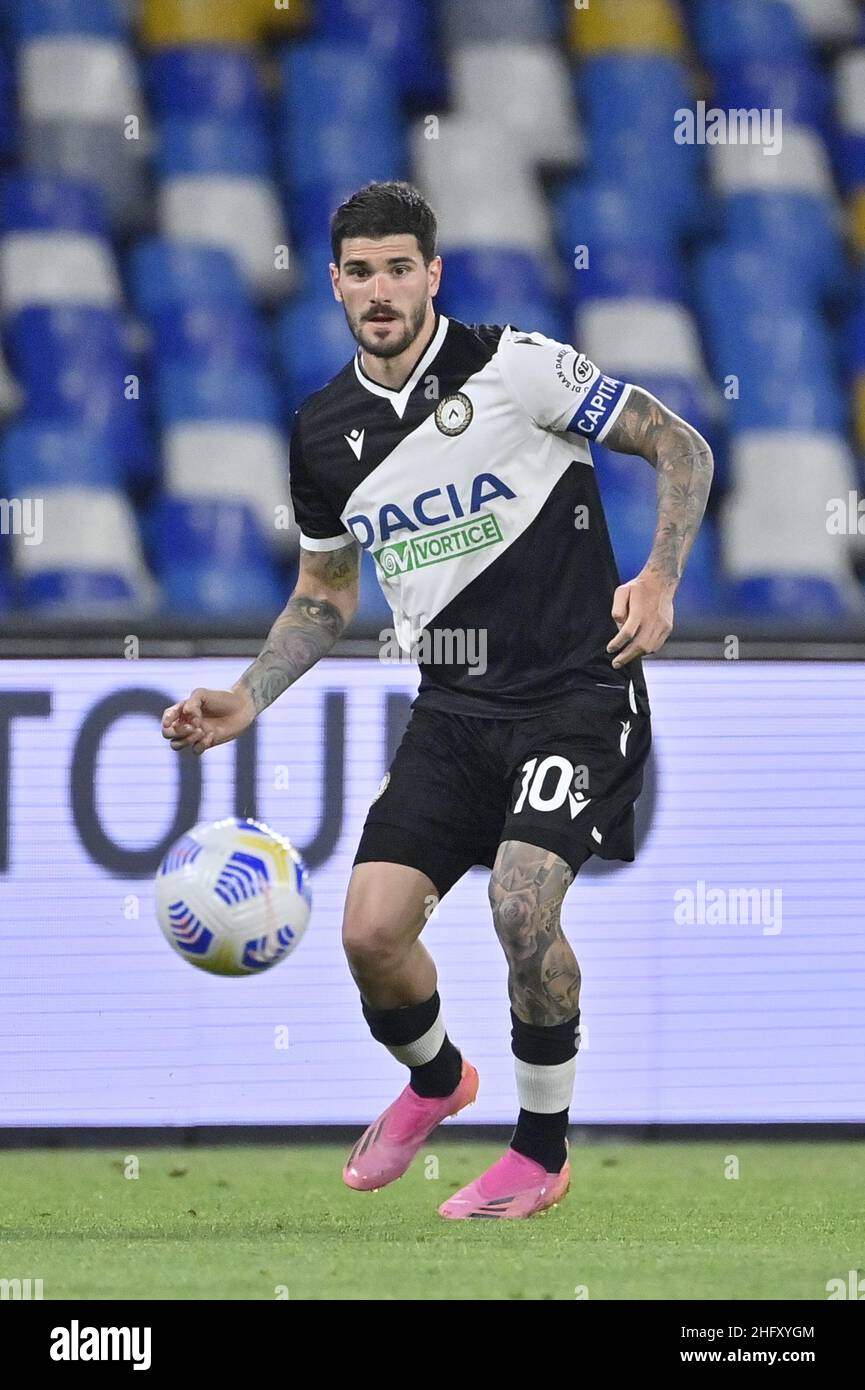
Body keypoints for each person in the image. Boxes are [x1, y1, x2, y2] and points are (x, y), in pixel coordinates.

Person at [162, 181, 713, 1219]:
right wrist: (246, 698)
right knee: (369, 932)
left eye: (398, 268)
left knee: (519, 901)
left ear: (432, 273)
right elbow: (324, 600)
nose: (380, 290)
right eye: (360, 272)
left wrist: (660, 578)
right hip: (452, 711)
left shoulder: (517, 367)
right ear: (333, 284)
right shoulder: (323, 432)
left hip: (578, 694)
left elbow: (681, 444)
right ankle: (436, 1081)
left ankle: (538, 1150)